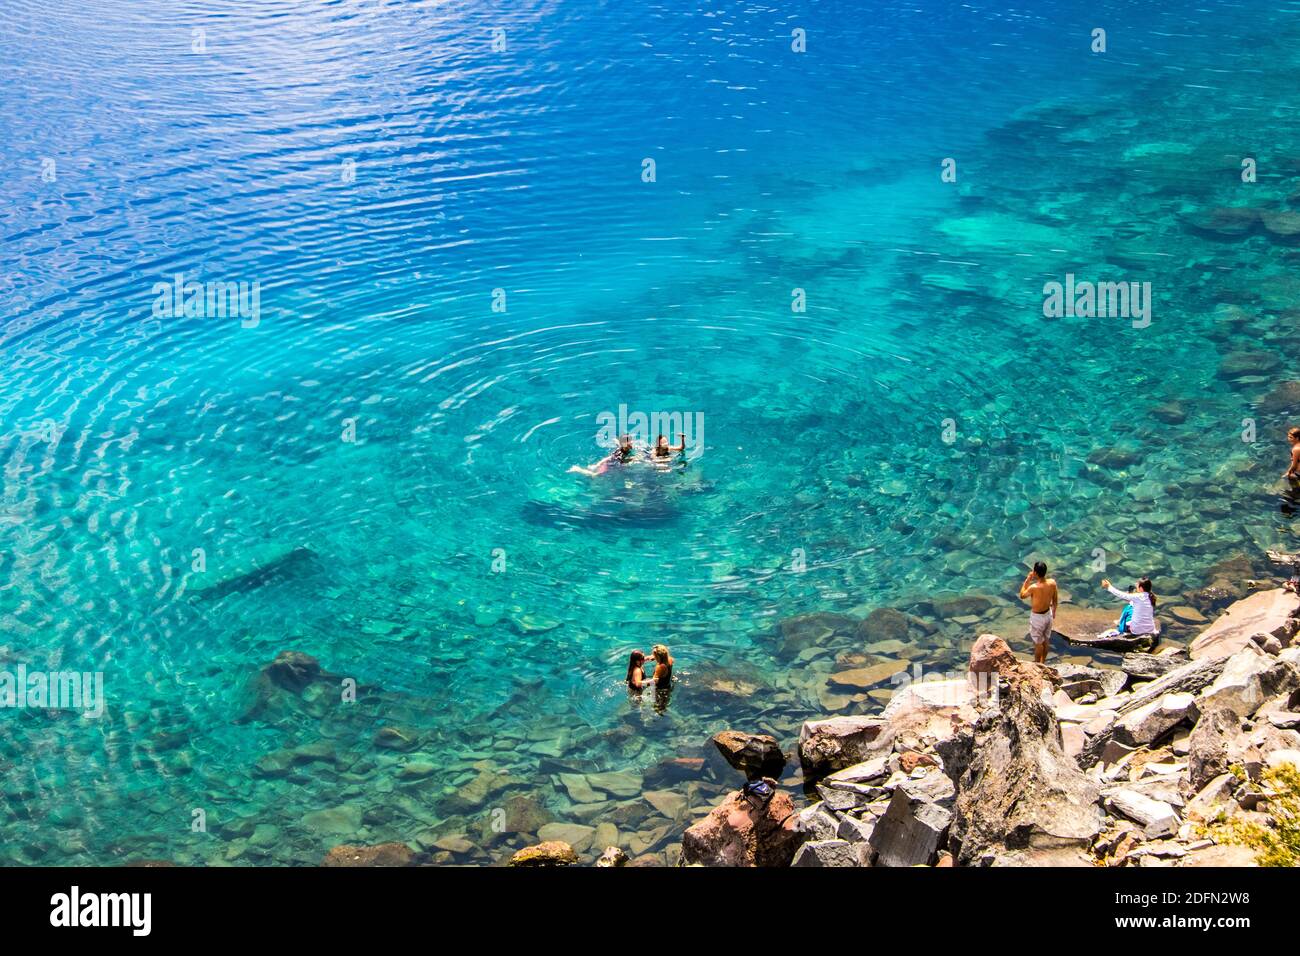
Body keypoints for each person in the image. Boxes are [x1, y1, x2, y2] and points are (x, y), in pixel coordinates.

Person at [1018, 561, 1058, 664]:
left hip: (1037, 618)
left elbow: (1022, 595)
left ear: (1035, 573)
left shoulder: (1034, 587)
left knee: (1038, 643)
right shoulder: (1052, 583)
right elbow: (1055, 598)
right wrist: (1054, 610)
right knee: (1046, 640)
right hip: (1047, 614)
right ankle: (1043, 662)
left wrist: (1028, 579)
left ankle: (1037, 665)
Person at [568, 434, 637, 477]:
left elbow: (610, 456)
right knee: (595, 475)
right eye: (630, 441)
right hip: (610, 464)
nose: (632, 442)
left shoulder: (623, 448)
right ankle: (577, 469)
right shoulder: (622, 453)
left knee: (600, 465)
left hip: (609, 460)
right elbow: (620, 461)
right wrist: (634, 460)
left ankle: (595, 466)